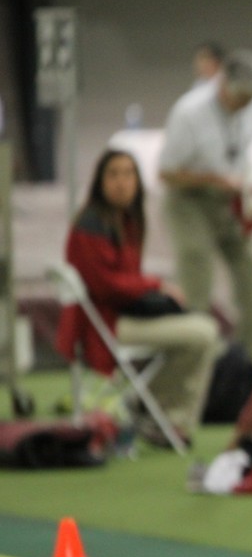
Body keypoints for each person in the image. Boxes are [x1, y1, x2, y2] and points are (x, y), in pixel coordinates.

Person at [55, 149, 220, 449]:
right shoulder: (90, 225)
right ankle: (163, 415)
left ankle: (150, 408)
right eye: (113, 174)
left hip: (120, 317)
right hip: (102, 326)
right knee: (204, 333)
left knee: (202, 330)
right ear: (100, 181)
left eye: (128, 174)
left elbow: (121, 281)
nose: (121, 182)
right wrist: (157, 285)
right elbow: (108, 286)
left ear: (138, 182)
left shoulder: (126, 219)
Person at [159, 50, 252, 360]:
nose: (246, 103)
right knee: (197, 269)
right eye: (241, 97)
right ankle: (193, 356)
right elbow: (166, 173)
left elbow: (241, 156)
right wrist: (217, 181)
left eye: (251, 98)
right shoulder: (189, 111)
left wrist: (248, 190)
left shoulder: (251, 106)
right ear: (222, 84)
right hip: (189, 200)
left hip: (229, 199)